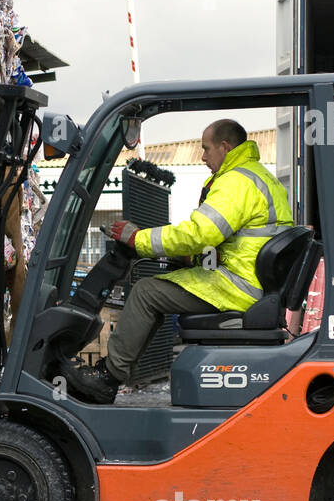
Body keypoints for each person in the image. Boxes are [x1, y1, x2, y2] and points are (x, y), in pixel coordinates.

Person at [60, 119, 292, 404]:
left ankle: (108, 377)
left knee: (146, 292)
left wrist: (139, 240)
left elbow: (199, 233)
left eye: (206, 149)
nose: (203, 157)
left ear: (225, 146)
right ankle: (114, 373)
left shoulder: (237, 181)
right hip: (251, 280)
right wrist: (185, 256)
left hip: (239, 286)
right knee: (156, 291)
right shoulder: (258, 177)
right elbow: (222, 242)